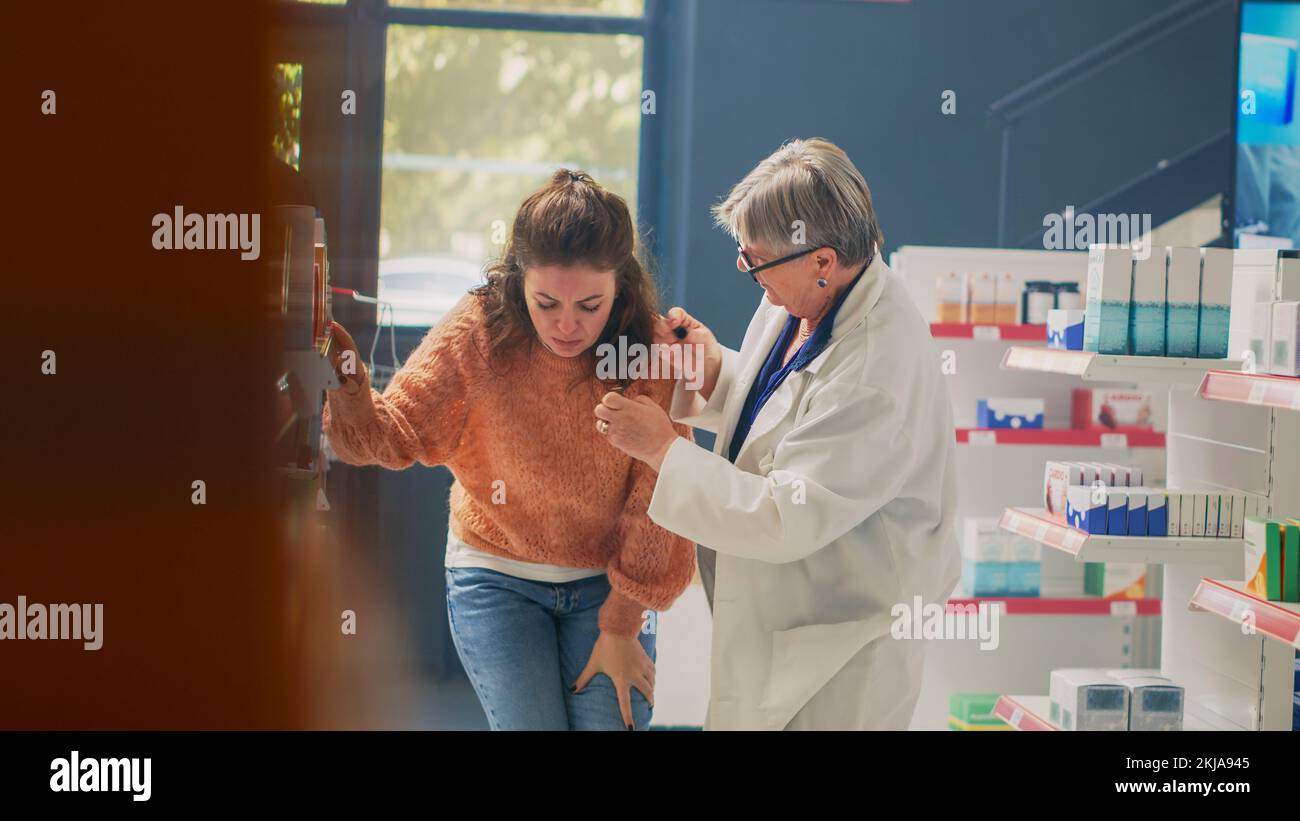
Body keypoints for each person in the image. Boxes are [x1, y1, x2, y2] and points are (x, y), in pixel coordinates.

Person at [594, 138, 961, 730]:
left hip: (841, 646)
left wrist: (662, 448)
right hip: (786, 622)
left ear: (821, 260)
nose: (747, 271)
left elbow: (785, 515)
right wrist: (712, 372)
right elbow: (789, 405)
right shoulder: (810, 296)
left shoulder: (876, 371)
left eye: (756, 260)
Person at [323, 169, 696, 730]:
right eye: (546, 302)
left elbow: (661, 500)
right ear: (518, 279)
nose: (566, 326)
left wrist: (621, 623)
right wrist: (349, 389)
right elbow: (390, 435)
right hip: (494, 577)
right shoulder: (479, 329)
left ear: (620, 283)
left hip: (607, 586)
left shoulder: (650, 349)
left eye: (590, 306)